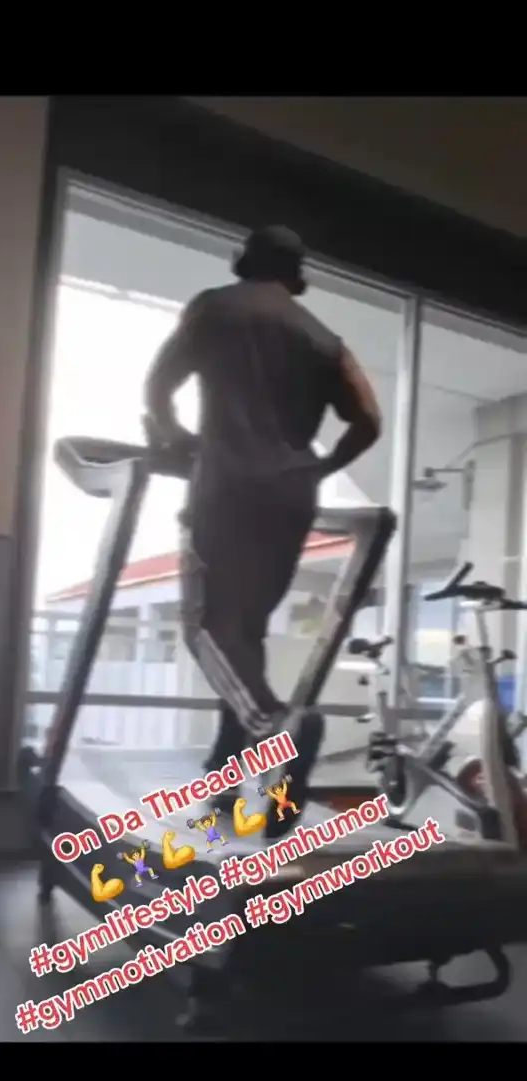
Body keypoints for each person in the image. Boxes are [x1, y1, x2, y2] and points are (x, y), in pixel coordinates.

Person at [143, 225, 382, 837]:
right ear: (296, 274)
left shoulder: (213, 308)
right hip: (291, 496)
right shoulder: (325, 340)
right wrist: (318, 468)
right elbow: (368, 422)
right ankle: (226, 775)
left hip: (227, 487)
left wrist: (180, 439)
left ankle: (279, 729)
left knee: (205, 627)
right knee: (244, 630)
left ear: (244, 262)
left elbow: (159, 386)